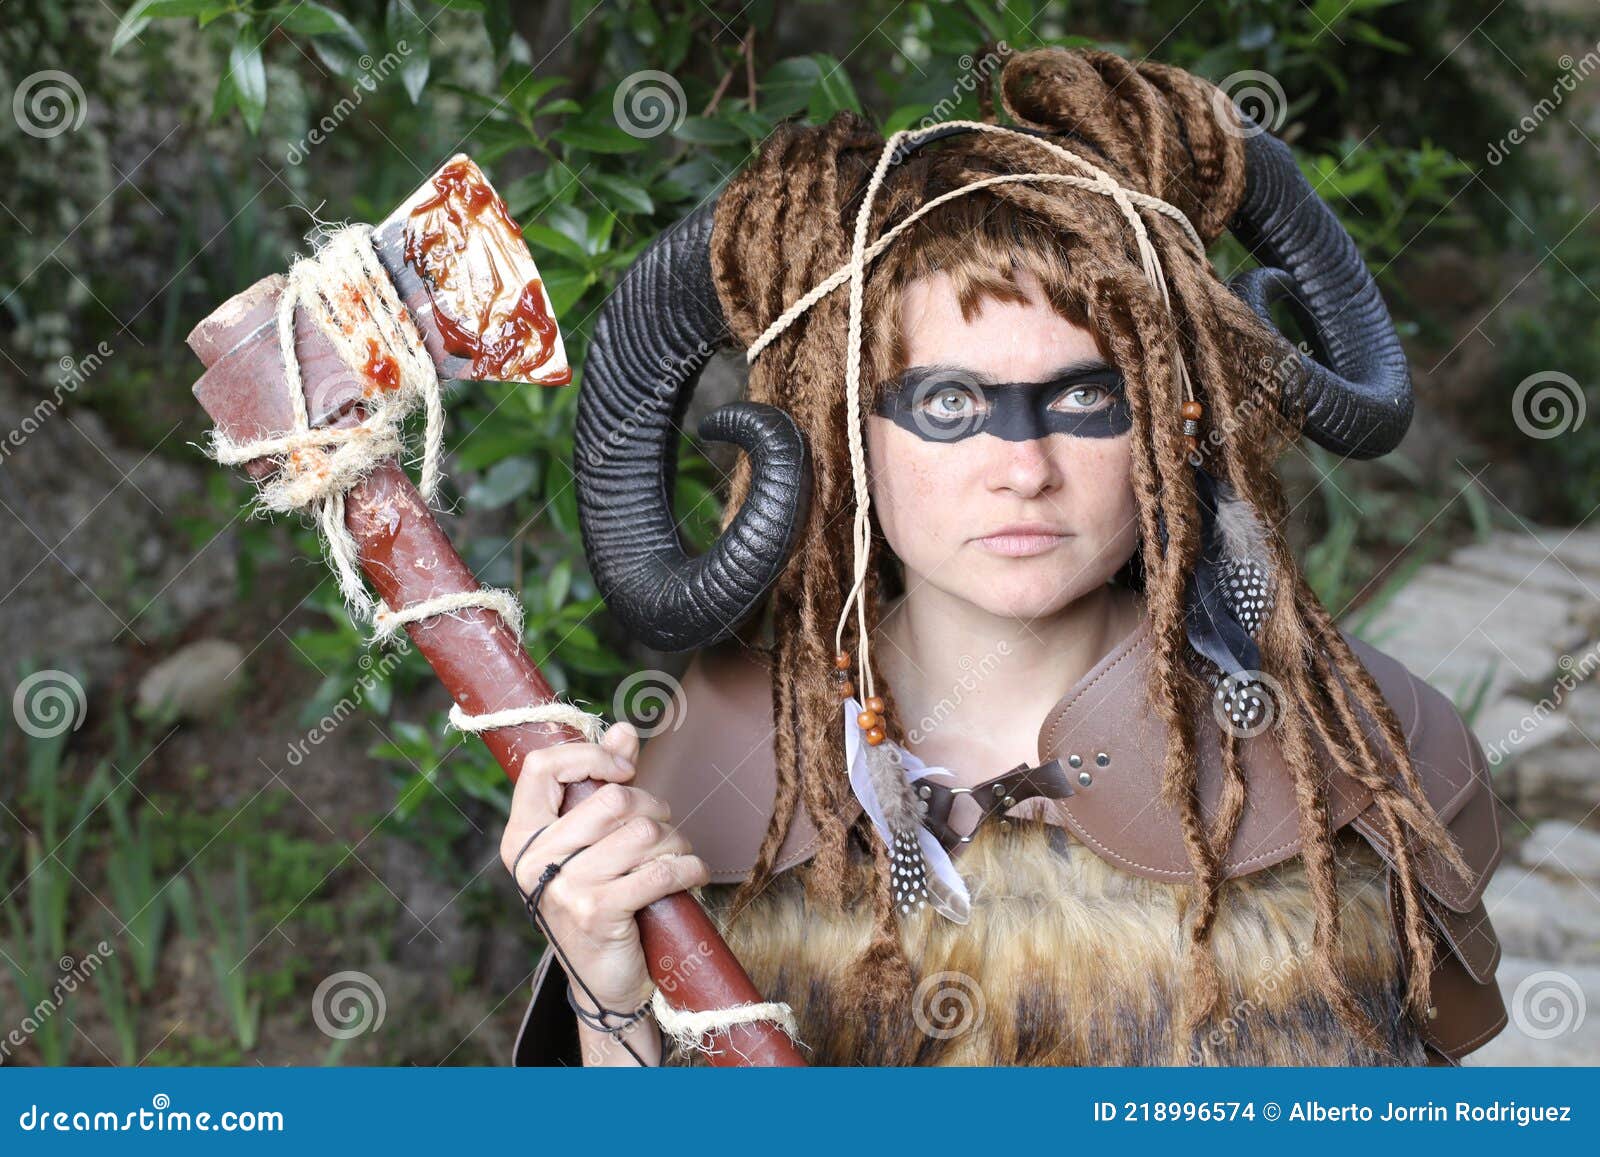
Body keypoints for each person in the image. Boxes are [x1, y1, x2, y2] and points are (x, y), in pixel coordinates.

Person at [501, 46, 1507, 1067]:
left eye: (1085, 395)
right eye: (947, 403)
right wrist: (608, 1001)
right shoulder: (705, 769)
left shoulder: (1359, 754)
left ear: (1169, 420)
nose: (1024, 469)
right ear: (842, 429)